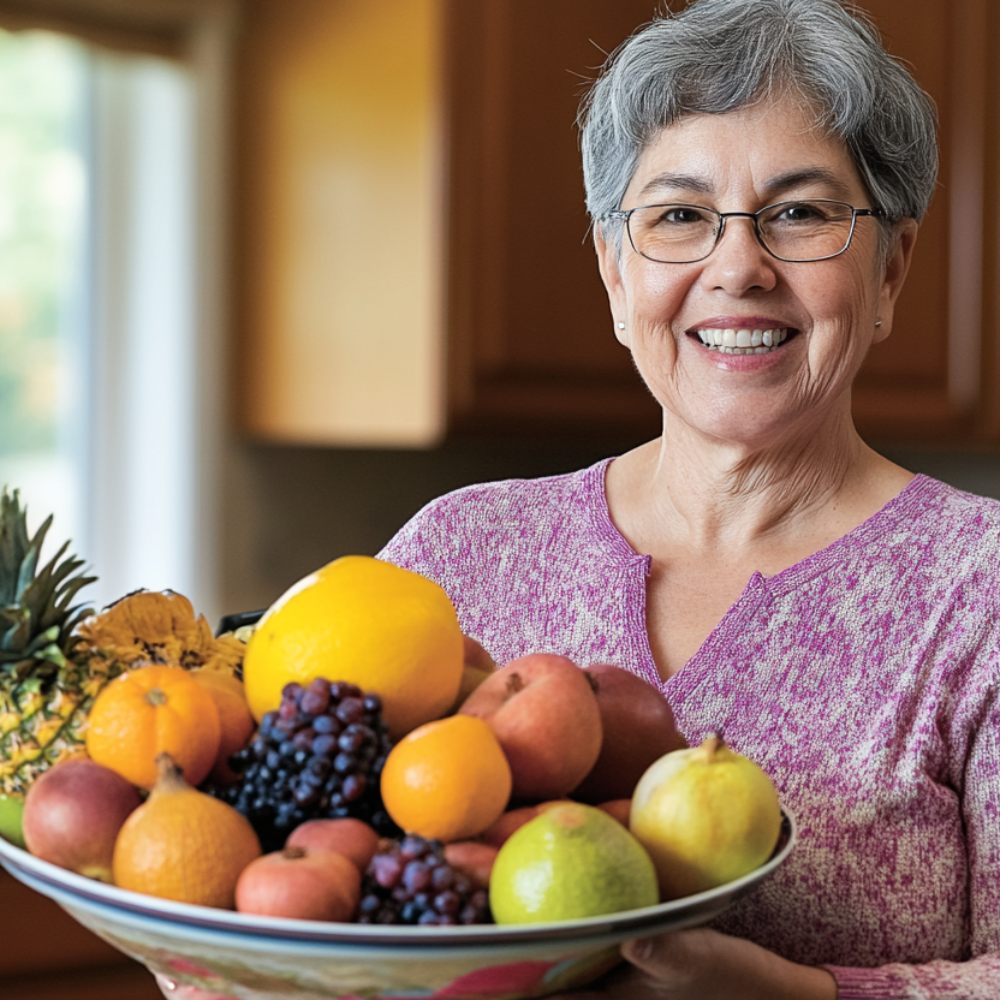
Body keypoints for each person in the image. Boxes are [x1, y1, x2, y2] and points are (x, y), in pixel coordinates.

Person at [378, 0, 1000, 997]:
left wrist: (796, 996)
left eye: (799, 212)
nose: (738, 267)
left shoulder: (982, 590)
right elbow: (288, 875)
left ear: (891, 268)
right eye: (678, 216)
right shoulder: (454, 554)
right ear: (614, 272)